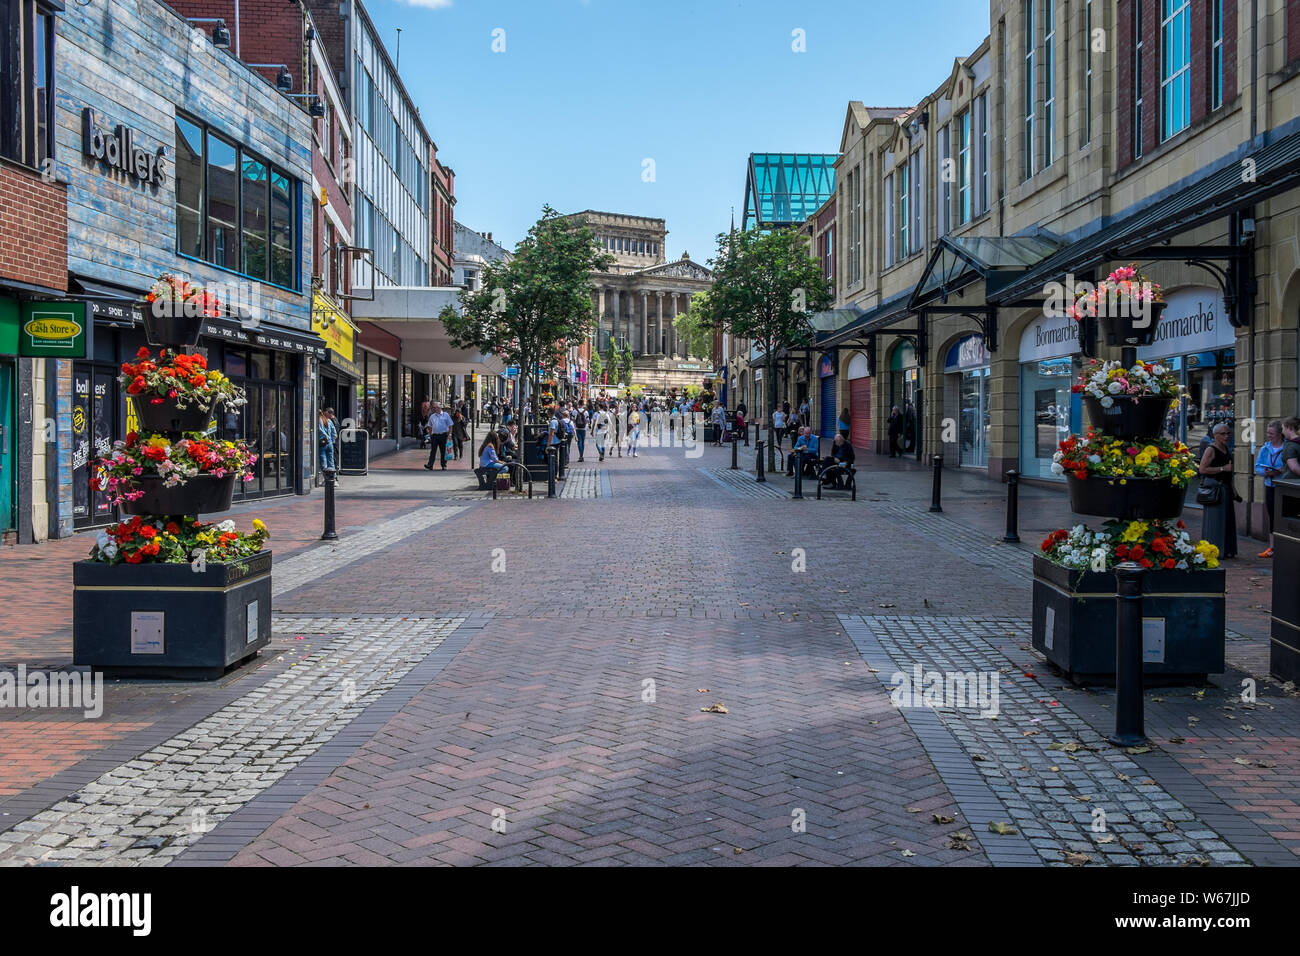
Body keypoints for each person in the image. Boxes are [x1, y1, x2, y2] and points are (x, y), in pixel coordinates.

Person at [1199, 422, 1239, 559]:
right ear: (1215, 435)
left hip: (1225, 487)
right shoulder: (1211, 449)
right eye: (1223, 434)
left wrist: (1233, 489)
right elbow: (1202, 469)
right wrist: (1222, 469)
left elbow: (1229, 473)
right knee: (1215, 521)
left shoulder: (1226, 448)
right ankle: (1213, 550)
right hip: (1215, 488)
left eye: (1228, 433)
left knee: (1227, 520)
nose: (1226, 436)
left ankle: (1227, 549)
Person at [1255, 421, 1287, 558]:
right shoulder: (1265, 448)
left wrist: (1281, 471)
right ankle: (1272, 547)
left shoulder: (1287, 447)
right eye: (1268, 433)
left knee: (1284, 516)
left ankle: (1285, 545)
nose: (1269, 436)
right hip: (1270, 485)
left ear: (1280, 434)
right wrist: (1266, 472)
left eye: (1271, 433)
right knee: (1272, 515)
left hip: (1284, 486)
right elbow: (1257, 468)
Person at [424, 402, 452, 470]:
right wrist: (430, 435)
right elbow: (430, 426)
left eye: (435, 408)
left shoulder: (446, 415)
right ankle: (430, 465)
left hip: (443, 435)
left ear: (439, 408)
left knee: (443, 451)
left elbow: (450, 425)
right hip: (434, 436)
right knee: (433, 451)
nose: (434, 409)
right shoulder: (432, 416)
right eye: (433, 408)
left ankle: (443, 465)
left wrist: (449, 434)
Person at [316, 407, 336, 484]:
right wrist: (331, 440)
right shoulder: (328, 420)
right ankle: (333, 479)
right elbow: (334, 433)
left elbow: (320, 430)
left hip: (322, 442)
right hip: (330, 443)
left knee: (324, 461)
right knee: (331, 461)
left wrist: (326, 437)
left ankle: (327, 479)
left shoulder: (319, 420)